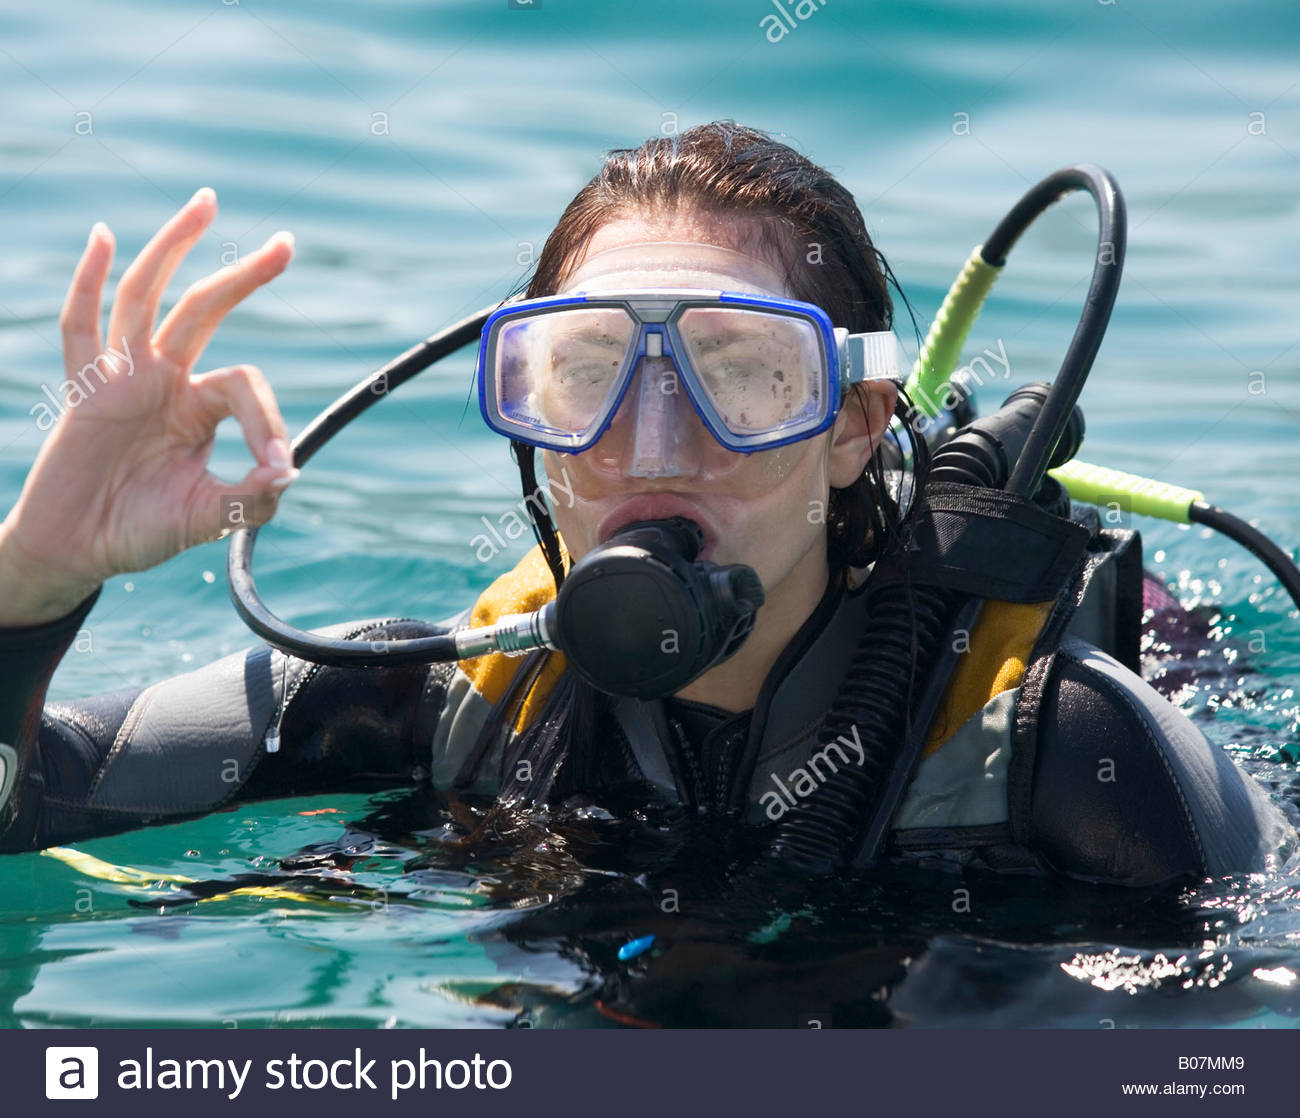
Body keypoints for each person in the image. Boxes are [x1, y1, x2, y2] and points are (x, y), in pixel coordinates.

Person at [0, 121, 1293, 889]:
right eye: (587, 378)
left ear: (851, 424)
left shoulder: (1071, 758)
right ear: (527, 418)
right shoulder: (440, 704)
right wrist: (35, 587)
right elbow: (33, 800)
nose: (654, 444)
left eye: (742, 377)